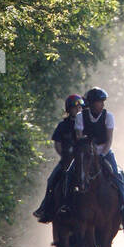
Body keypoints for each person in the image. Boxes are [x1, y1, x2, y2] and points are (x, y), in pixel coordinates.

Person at [76, 87, 124, 215]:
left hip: (104, 151)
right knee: (70, 172)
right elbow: (79, 137)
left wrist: (101, 154)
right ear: (91, 103)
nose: (102, 104)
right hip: (86, 152)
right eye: (99, 101)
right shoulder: (80, 117)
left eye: (102, 101)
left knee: (118, 174)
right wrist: (88, 150)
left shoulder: (108, 116)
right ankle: (65, 204)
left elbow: (109, 140)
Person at [33, 94, 84, 223]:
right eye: (75, 108)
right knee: (51, 180)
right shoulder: (63, 125)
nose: (78, 110)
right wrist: (65, 156)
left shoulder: (85, 123)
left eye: (80, 107)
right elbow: (57, 144)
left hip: (84, 160)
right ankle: (45, 208)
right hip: (66, 161)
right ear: (69, 109)